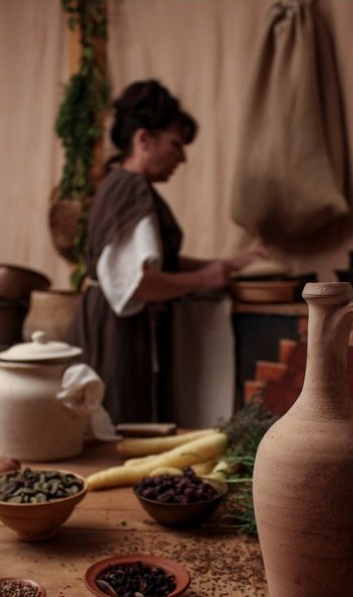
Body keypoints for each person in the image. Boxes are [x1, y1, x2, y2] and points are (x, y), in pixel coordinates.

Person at [67, 79, 270, 425]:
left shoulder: (120, 184)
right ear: (144, 139)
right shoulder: (132, 190)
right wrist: (203, 279)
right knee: (120, 425)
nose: (183, 158)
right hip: (117, 332)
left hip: (111, 323)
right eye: (176, 144)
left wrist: (223, 264)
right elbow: (138, 283)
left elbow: (150, 261)